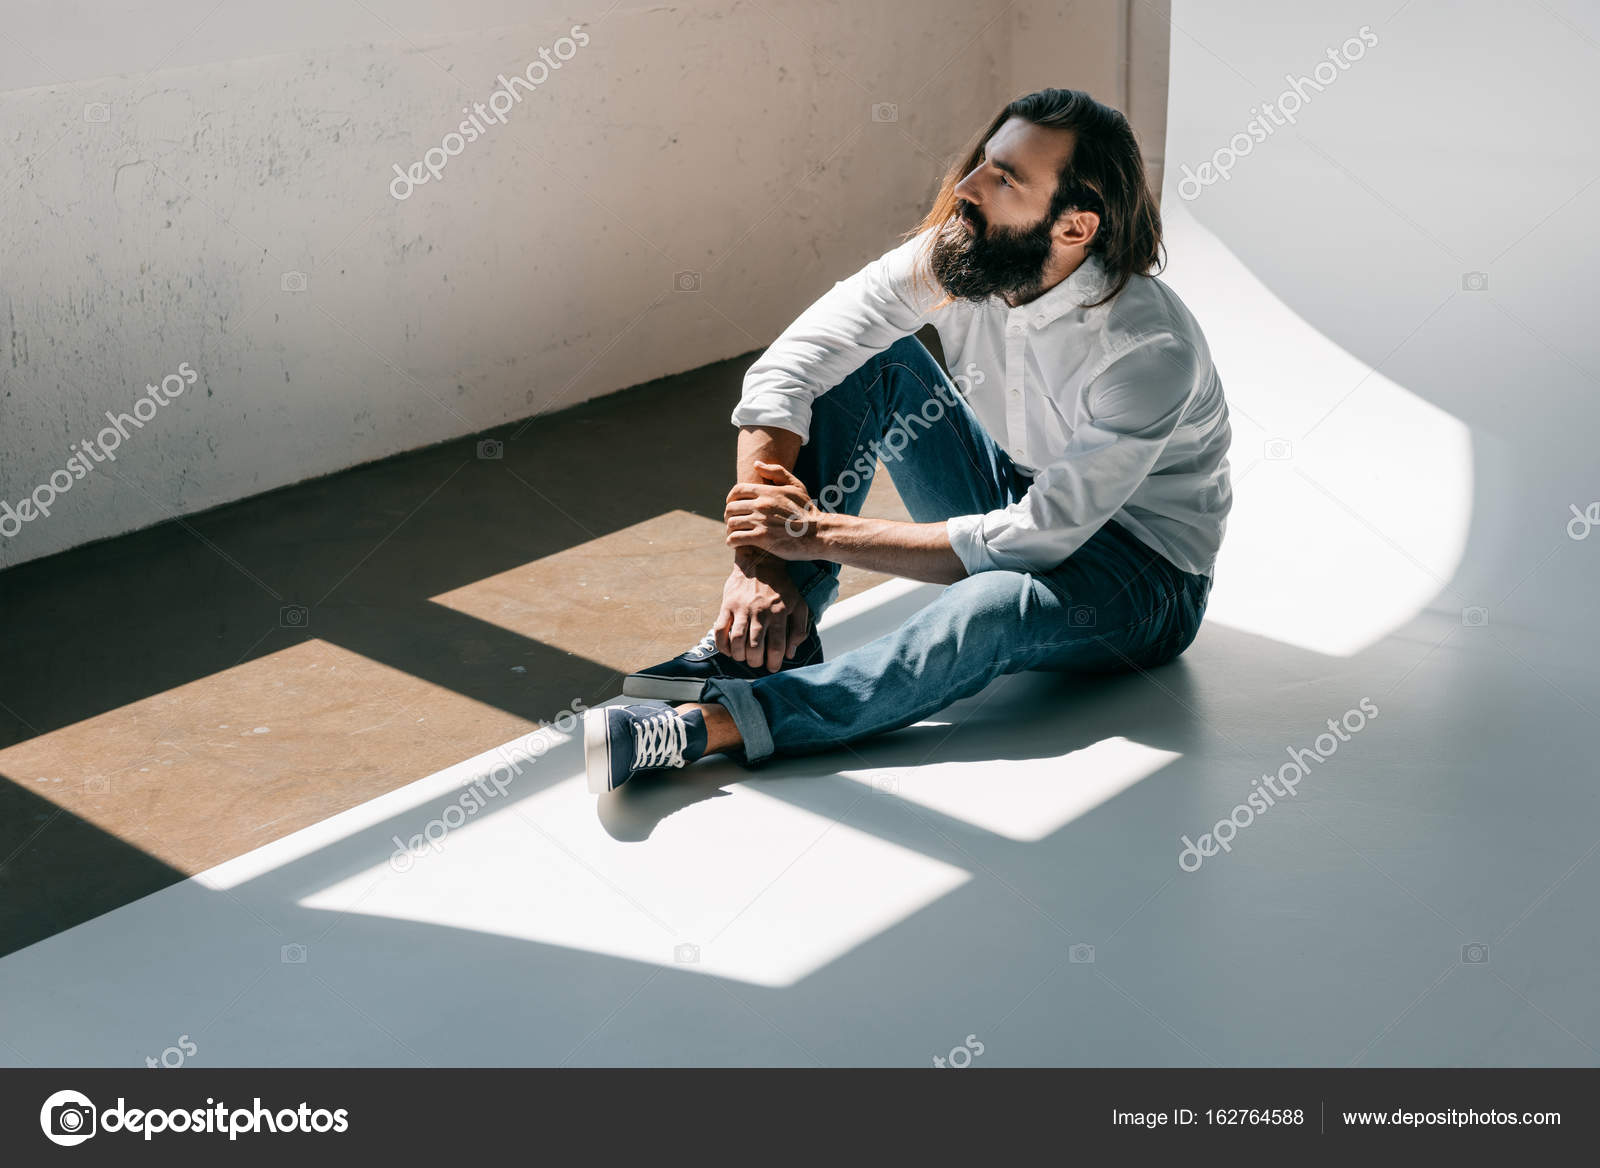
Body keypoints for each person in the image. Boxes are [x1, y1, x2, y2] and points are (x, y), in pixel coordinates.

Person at [585, 87, 1232, 794]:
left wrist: (817, 533)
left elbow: (1037, 542)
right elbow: (790, 367)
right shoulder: (965, 257)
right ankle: (770, 643)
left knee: (988, 610)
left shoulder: (1144, 350)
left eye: (1005, 180)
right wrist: (762, 562)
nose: (966, 187)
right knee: (870, 361)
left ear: (1075, 227)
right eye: (987, 162)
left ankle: (714, 726)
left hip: (1143, 572)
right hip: (1013, 487)